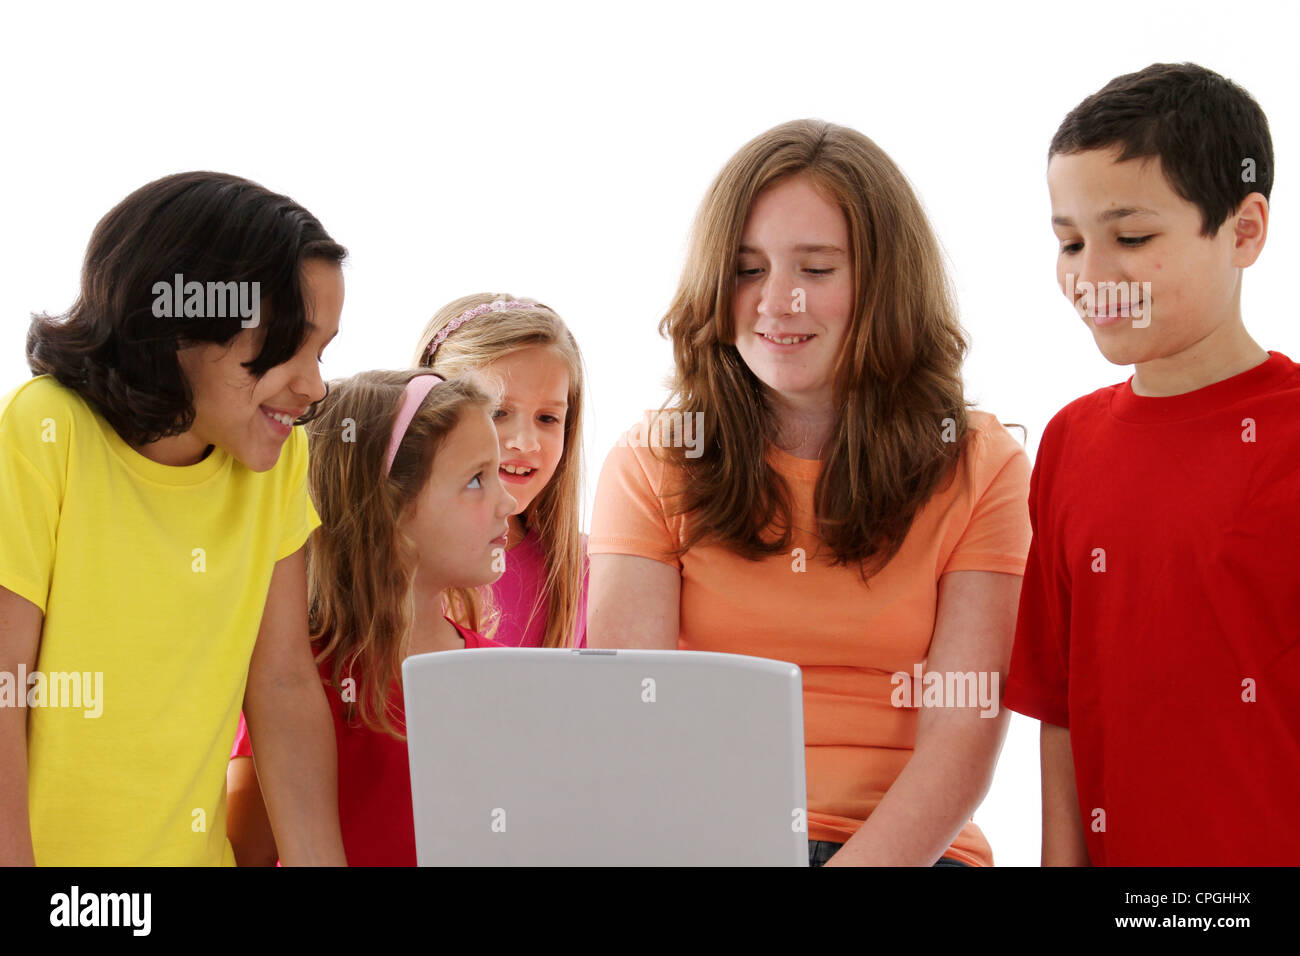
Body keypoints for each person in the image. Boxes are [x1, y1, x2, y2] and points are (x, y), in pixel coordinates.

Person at [588, 119, 1031, 866]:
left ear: (885, 285)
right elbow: (631, 724)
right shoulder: (652, 461)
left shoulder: (982, 465)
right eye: (747, 269)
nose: (777, 301)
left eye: (817, 269)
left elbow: (961, 739)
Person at [0, 171, 347, 865]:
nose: (314, 386)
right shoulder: (44, 430)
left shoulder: (279, 459)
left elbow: (282, 685)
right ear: (179, 325)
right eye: (288, 345)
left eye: (323, 351)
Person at [1004, 62, 1298, 866]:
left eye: (1131, 238)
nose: (1091, 277)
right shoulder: (1069, 442)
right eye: (1070, 242)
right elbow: (1060, 707)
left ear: (1244, 230)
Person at [227, 370, 515, 865]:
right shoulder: (296, 684)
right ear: (388, 512)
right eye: (475, 480)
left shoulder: (507, 675)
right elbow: (244, 855)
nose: (508, 502)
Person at [413, 294, 588, 648]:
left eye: (547, 418)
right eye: (497, 413)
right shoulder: (393, 556)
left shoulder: (580, 569)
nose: (525, 442)